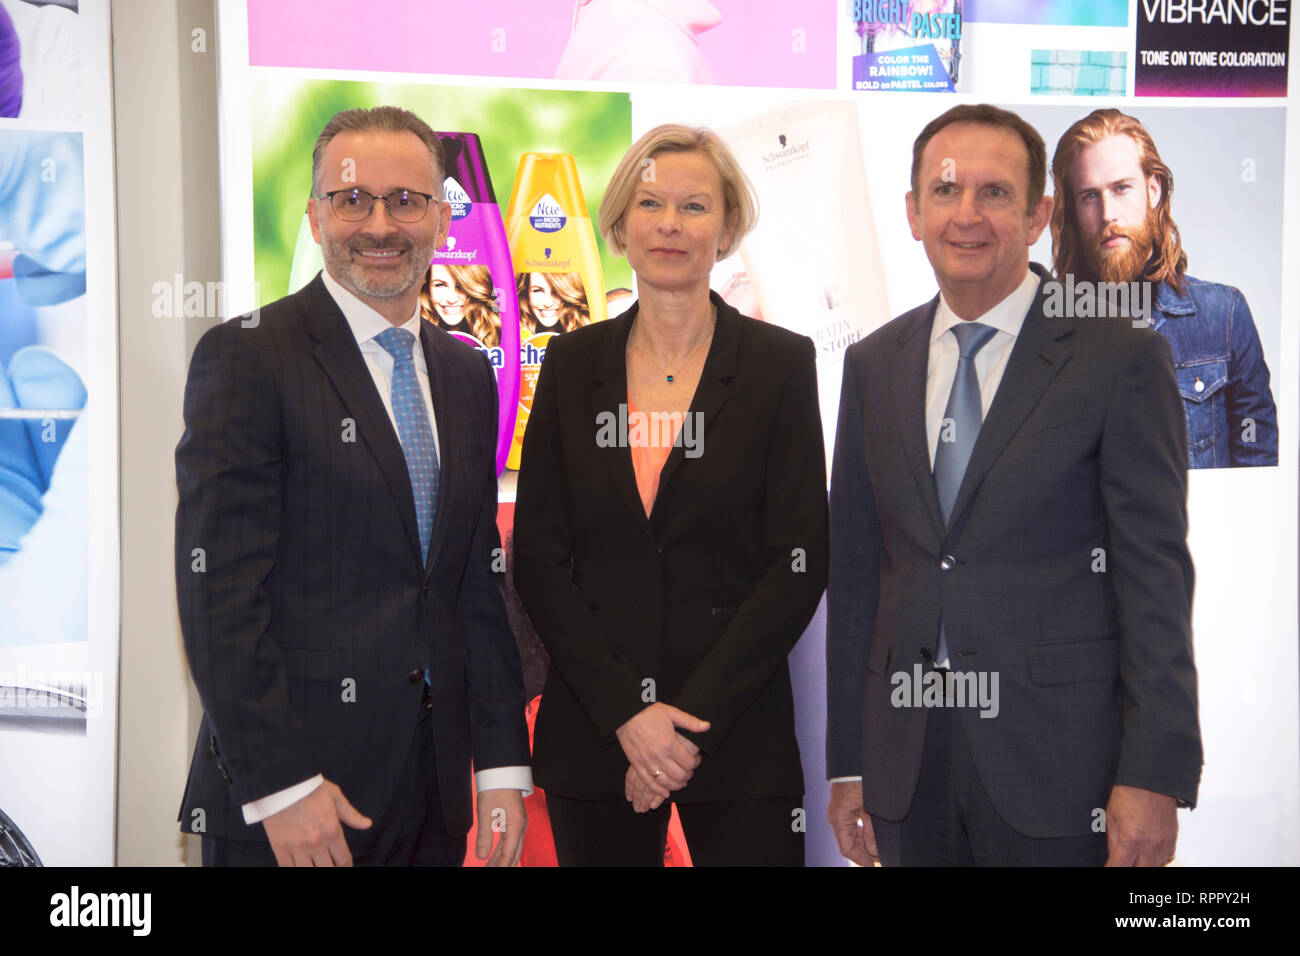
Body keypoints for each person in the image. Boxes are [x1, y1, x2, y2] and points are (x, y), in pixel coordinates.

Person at [826, 104, 1201, 867]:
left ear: (1038, 216)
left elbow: (1155, 580)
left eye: (995, 193)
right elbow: (860, 576)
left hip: (1065, 772)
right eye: (945, 190)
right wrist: (849, 762)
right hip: (909, 766)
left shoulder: (1119, 355)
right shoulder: (874, 365)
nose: (966, 215)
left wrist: (1154, 775)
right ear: (912, 212)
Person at [175, 105, 530, 867]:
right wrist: (282, 786)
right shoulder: (248, 359)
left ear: (440, 216)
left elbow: (474, 588)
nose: (379, 223)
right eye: (350, 199)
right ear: (313, 216)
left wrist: (501, 766)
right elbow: (220, 598)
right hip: (296, 806)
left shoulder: (469, 374)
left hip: (435, 802)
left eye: (406, 199)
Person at [512, 124, 828, 866]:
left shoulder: (780, 364)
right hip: (598, 736)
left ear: (727, 229)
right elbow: (539, 558)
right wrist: (630, 715)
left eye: (695, 206)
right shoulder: (570, 361)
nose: (671, 224)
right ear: (619, 226)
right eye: (650, 203)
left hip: (737, 740)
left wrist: (686, 728)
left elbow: (799, 560)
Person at [1049, 108, 1277, 469]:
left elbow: (1257, 465)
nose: (1108, 213)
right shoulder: (1047, 330)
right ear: (1073, 210)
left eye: (1122, 188)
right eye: (1090, 196)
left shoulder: (1224, 316)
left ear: (1152, 190)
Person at [420, 262, 501, 347]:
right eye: (440, 285)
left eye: (461, 286)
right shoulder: (413, 334)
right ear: (427, 288)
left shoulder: (498, 331)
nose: (452, 300)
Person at [517, 270, 589, 336]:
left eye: (556, 292)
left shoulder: (587, 330)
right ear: (526, 293)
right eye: (538, 291)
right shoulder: (514, 332)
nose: (548, 304)